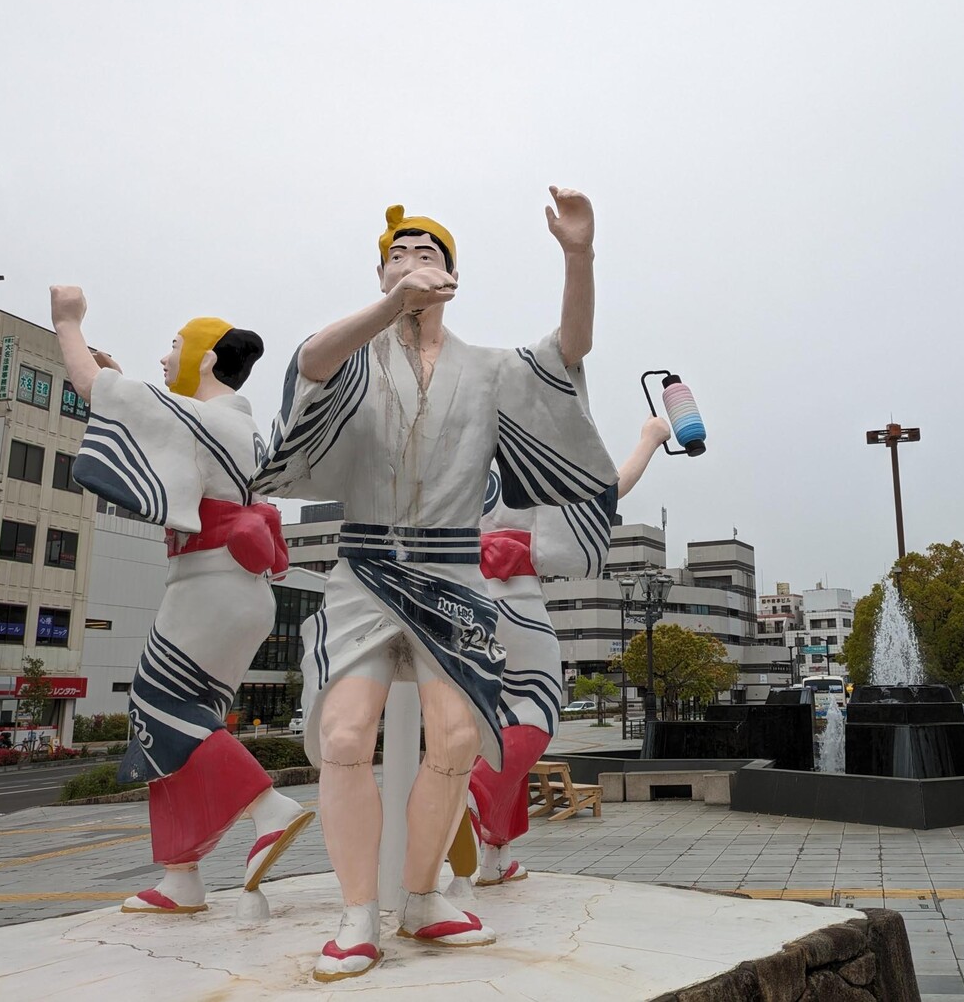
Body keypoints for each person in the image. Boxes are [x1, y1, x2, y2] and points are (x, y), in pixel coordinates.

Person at [251, 191, 616, 981]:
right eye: (398, 253)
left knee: (454, 740)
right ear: (381, 273)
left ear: (453, 276)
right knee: (346, 735)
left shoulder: (488, 370)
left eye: (427, 253)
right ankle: (357, 913)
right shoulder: (354, 359)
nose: (412, 261)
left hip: (453, 569)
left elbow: (568, 353)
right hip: (365, 561)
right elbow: (309, 363)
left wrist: (577, 255)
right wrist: (388, 308)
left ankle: (421, 895)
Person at [50, 287, 313, 914]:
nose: (165, 356)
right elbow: (160, 420)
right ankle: (180, 874)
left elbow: (99, 391)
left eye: (173, 345)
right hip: (242, 589)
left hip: (208, 583)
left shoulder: (205, 417)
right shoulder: (245, 428)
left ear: (200, 357)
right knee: (181, 726)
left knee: (157, 703)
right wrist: (126, 382)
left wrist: (69, 323)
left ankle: (266, 807)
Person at [466, 415, 671, 887]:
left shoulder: (463, 461)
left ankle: (496, 854)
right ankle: (473, 796)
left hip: (460, 601)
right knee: (538, 713)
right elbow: (610, 491)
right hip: (513, 595)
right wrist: (650, 439)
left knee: (494, 726)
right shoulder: (531, 462)